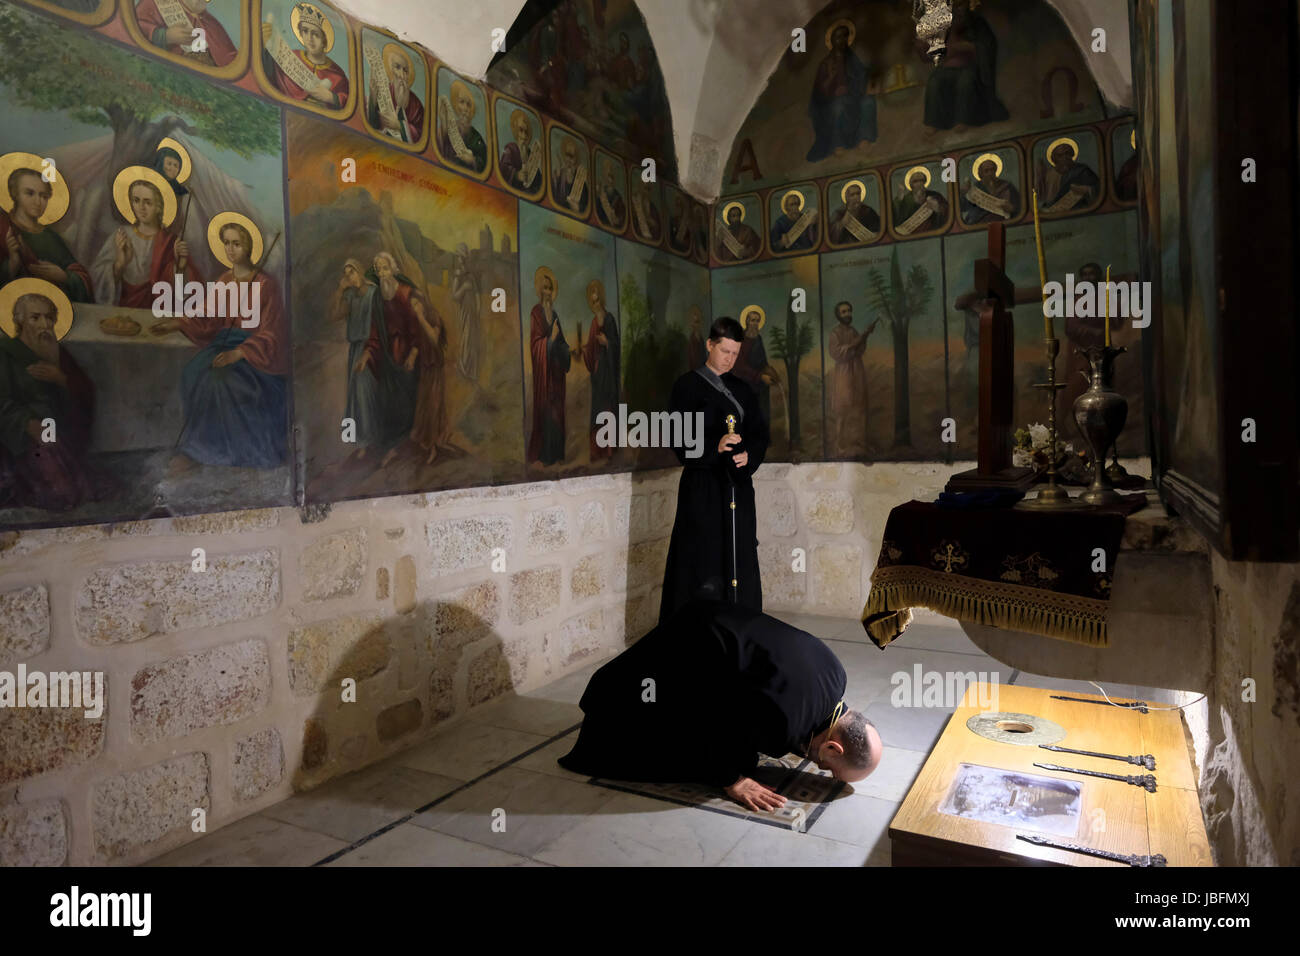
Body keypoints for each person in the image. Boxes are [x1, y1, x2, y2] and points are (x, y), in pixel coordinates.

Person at [559, 596, 883, 810]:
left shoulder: (835, 673)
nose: (818, 768)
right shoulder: (783, 727)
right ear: (833, 748)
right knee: (736, 761)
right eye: (826, 767)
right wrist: (733, 781)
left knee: (742, 750)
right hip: (631, 694)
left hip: (705, 616)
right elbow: (704, 724)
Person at [149, 218, 288, 472]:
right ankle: (201, 448)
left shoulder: (267, 285)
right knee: (193, 373)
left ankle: (220, 449)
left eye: (237, 243)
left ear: (249, 247)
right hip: (223, 343)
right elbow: (208, 317)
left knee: (220, 381)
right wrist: (179, 323)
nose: (231, 249)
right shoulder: (224, 280)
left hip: (254, 356)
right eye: (227, 243)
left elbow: (273, 333)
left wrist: (240, 352)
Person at [659, 316, 769, 625]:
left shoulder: (743, 390)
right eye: (725, 352)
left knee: (739, 559)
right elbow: (679, 441)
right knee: (702, 560)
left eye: (735, 353)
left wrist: (750, 455)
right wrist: (714, 446)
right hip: (703, 491)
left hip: (738, 490)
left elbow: (760, 434)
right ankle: (698, 637)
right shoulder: (686, 387)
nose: (731, 360)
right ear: (710, 345)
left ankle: (742, 632)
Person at [0, 289, 94, 511]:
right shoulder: (5, 353)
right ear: (19, 321)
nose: (44, 324)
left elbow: (86, 391)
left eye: (49, 317)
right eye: (35, 317)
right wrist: (27, 424)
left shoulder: (57, 352)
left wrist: (61, 379)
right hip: (20, 436)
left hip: (56, 430)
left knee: (78, 493)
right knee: (59, 494)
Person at [92, 171, 199, 308]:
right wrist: (119, 264)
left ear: (159, 207)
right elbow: (97, 281)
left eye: (148, 202)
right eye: (136, 200)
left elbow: (183, 297)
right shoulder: (121, 235)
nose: (141, 208)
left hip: (156, 311)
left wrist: (180, 266)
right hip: (122, 310)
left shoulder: (171, 242)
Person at [1, 167, 92, 302]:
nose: (38, 202)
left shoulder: (51, 237)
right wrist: (12, 264)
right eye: (30, 193)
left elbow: (79, 274)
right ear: (15, 194)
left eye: (44, 196)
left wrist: (64, 277)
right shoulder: (3, 228)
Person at [919, 0, 1008, 132]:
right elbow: (931, 54)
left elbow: (986, 45)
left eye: (959, 6)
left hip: (969, 67)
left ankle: (964, 119)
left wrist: (968, 47)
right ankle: (935, 122)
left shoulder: (976, 24)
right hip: (947, 67)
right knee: (934, 82)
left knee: (965, 81)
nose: (956, 10)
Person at [332, 258, 382, 459]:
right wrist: (339, 291)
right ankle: (363, 440)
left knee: (366, 392)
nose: (349, 277)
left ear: (360, 272)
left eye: (351, 272)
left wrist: (369, 351)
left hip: (371, 348)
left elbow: (381, 323)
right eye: (346, 274)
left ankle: (371, 441)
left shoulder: (373, 293)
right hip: (355, 349)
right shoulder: (350, 295)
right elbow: (335, 315)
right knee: (356, 395)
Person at [807, 20, 875, 162]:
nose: (842, 40)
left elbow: (862, 76)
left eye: (844, 36)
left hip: (854, 96)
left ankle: (863, 138)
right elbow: (819, 92)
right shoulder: (826, 64)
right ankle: (838, 143)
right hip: (832, 101)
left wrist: (859, 86)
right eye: (838, 37)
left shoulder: (852, 59)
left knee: (868, 102)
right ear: (832, 40)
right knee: (837, 107)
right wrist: (833, 83)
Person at [261, 3, 349, 109]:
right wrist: (266, 46)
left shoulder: (337, 75)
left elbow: (347, 104)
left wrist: (331, 98)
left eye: (315, 34)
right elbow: (271, 77)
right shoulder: (291, 57)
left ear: (324, 40)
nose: (310, 38)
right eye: (305, 31)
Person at [526, 266, 572, 465]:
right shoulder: (536, 313)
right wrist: (550, 342)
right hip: (544, 375)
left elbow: (561, 341)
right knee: (546, 412)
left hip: (556, 375)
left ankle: (557, 453)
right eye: (544, 288)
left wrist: (565, 350)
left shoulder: (555, 315)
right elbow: (535, 345)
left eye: (550, 289)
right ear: (539, 290)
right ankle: (545, 455)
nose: (547, 293)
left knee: (557, 412)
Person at [828, 300, 877, 457]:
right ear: (838, 315)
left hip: (857, 370)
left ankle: (861, 441)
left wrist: (865, 336)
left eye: (849, 311)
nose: (847, 314)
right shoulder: (835, 333)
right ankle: (840, 444)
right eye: (844, 311)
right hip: (843, 373)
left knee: (860, 406)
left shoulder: (854, 331)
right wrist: (858, 340)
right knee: (843, 408)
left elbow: (860, 349)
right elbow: (837, 353)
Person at [581, 279, 620, 462]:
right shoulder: (593, 324)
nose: (596, 304)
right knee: (597, 411)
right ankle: (597, 451)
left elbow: (616, 346)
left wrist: (608, 343)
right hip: (598, 374)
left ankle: (610, 450)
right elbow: (590, 349)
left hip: (609, 373)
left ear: (602, 300)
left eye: (598, 301)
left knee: (608, 408)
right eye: (593, 302)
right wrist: (585, 351)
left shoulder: (610, 319)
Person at [135, 0, 238, 68]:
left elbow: (231, 60)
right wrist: (165, 36)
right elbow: (134, 29)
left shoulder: (211, 22)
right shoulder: (154, 4)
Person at [368, 43, 425, 143]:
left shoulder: (416, 104)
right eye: (397, 67)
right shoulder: (384, 92)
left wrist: (399, 126)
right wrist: (373, 97)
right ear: (390, 69)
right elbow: (372, 123)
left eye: (405, 70)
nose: (402, 75)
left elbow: (421, 135)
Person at [1036, 140, 1100, 213]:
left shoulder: (1082, 170)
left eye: (1067, 154)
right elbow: (1041, 197)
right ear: (1054, 159)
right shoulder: (1049, 175)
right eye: (1060, 155)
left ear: (1072, 155)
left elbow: (1098, 188)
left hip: (1079, 210)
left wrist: (1087, 189)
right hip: (1052, 211)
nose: (1065, 157)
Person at [438, 80, 487, 172]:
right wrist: (444, 123)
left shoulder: (476, 137)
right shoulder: (447, 128)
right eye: (462, 102)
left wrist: (472, 160)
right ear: (456, 105)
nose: (465, 108)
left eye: (468, 105)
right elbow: (438, 149)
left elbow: (484, 164)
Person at [450, 243, 481, 382]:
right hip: (465, 311)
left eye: (461, 257)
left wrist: (478, 309)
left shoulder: (470, 276)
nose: (460, 259)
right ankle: (464, 367)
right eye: (458, 256)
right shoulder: (458, 276)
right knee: (466, 337)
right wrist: (463, 288)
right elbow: (454, 296)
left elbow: (477, 295)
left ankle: (472, 371)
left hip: (473, 312)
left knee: (473, 340)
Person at [960, 155, 1020, 224]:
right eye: (986, 171)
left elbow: (1019, 208)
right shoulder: (975, 188)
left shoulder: (1007, 186)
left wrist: (1012, 208)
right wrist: (963, 193)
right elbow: (962, 207)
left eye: (992, 170)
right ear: (981, 174)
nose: (990, 173)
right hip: (979, 225)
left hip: (1003, 223)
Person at [893, 168, 949, 235]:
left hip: (932, 234)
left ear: (925, 182)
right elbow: (895, 219)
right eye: (915, 181)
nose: (919, 183)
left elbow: (948, 213)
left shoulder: (935, 195)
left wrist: (938, 208)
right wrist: (899, 199)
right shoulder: (905, 200)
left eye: (921, 180)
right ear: (911, 184)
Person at [499, 109, 542, 192]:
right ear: (516, 131)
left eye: (526, 132)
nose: (524, 135)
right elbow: (503, 168)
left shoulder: (530, 154)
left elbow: (538, 179)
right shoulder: (510, 148)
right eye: (521, 130)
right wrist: (516, 175)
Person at [827, 181, 881, 245]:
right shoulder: (839, 212)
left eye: (858, 194)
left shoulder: (868, 211)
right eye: (852, 195)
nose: (856, 197)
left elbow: (878, 228)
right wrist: (843, 222)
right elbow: (832, 234)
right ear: (847, 198)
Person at [552, 137, 587, 212]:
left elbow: (585, 204)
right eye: (567, 155)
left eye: (571, 156)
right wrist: (556, 178)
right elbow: (553, 197)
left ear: (575, 159)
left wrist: (578, 208)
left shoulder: (580, 181)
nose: (568, 159)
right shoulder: (558, 175)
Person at [594, 164, 626, 230]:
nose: (610, 180)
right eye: (608, 176)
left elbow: (622, 218)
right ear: (604, 176)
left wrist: (618, 220)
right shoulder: (599, 192)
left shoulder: (618, 198)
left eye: (612, 176)